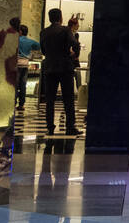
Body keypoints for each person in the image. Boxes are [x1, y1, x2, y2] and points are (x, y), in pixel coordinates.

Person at [40, 8, 80, 136]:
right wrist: (74, 55)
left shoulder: (44, 32)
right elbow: (75, 44)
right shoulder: (65, 30)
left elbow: (43, 51)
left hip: (49, 67)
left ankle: (50, 126)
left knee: (50, 100)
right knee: (68, 99)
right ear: (61, 17)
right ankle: (70, 126)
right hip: (65, 67)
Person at [15, 24, 40, 111]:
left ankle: (13, 103)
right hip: (25, 64)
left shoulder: (16, 40)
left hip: (17, 64)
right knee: (23, 85)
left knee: (15, 85)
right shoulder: (30, 41)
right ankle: (21, 104)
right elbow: (38, 46)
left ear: (20, 32)